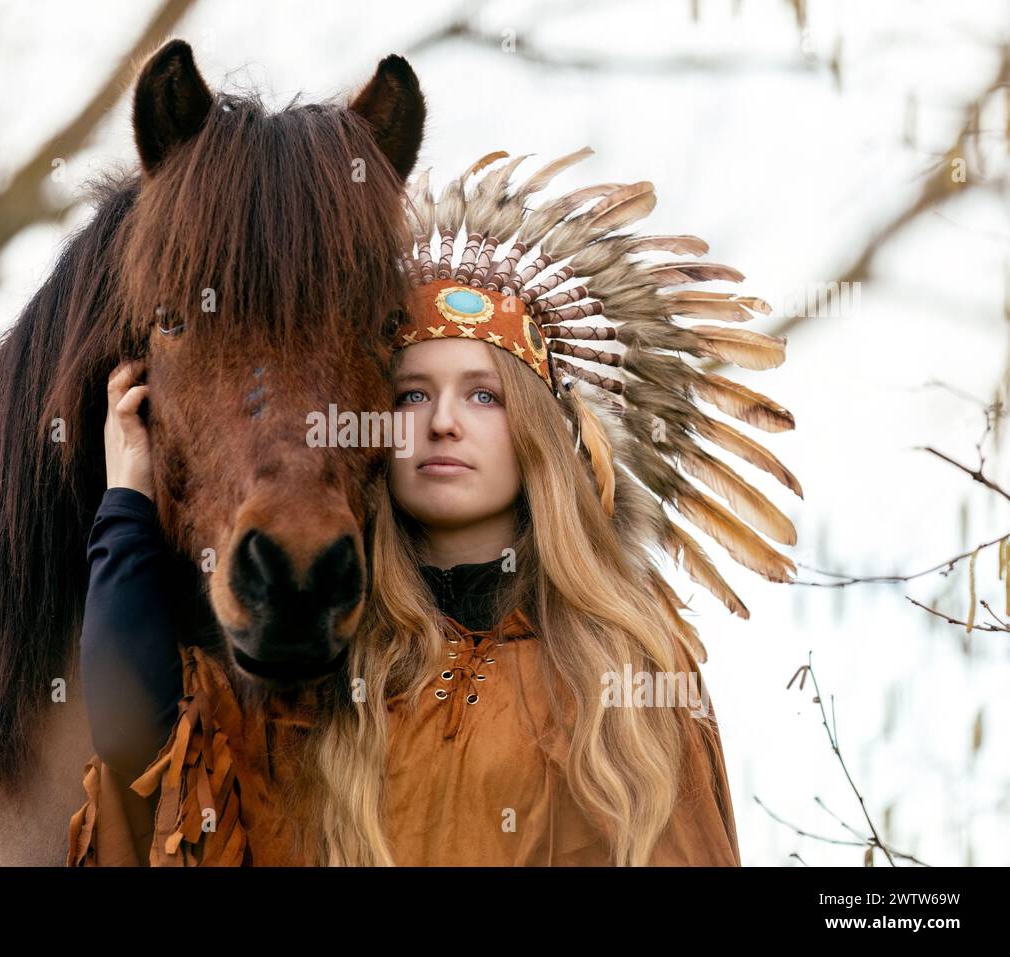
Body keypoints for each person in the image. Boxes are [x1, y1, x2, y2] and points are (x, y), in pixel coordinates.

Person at [69, 149, 800, 867]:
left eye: (483, 393)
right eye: (413, 394)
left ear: (539, 433)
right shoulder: (324, 679)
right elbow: (140, 743)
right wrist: (128, 500)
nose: (442, 422)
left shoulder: (624, 666)